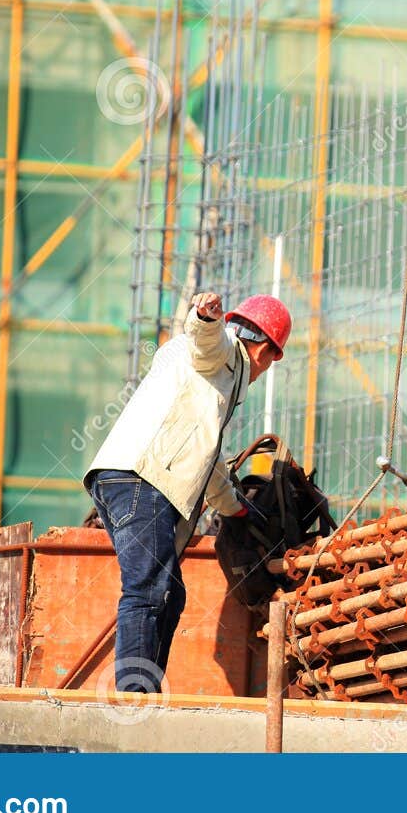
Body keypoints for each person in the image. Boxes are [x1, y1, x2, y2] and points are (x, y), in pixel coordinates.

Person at [83, 291, 291, 692]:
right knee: (147, 589)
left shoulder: (201, 379)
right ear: (266, 352)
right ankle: (135, 697)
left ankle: (146, 690)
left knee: (169, 593)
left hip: (120, 477)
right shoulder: (224, 356)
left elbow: (205, 456)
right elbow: (206, 340)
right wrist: (204, 316)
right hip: (143, 479)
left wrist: (235, 508)